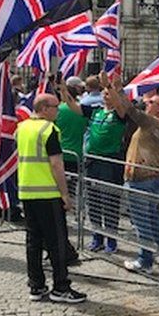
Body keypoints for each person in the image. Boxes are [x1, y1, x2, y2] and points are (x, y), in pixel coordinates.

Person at [16, 93, 87, 303]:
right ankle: (61, 287)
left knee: (33, 241)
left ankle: (36, 285)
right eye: (56, 106)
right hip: (47, 192)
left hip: (27, 190)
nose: (59, 110)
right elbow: (57, 164)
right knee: (57, 242)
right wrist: (65, 194)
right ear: (45, 108)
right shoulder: (49, 130)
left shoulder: (22, 127)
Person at [104, 75, 159, 274]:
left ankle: (145, 261)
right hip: (153, 179)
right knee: (152, 217)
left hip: (141, 179)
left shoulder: (151, 122)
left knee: (141, 220)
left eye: (152, 102)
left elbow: (129, 109)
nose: (147, 102)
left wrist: (113, 88)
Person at [62, 80, 127, 254]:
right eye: (104, 93)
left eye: (108, 94)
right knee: (94, 201)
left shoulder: (121, 115)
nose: (105, 96)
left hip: (110, 162)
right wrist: (61, 87)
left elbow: (119, 106)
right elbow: (73, 106)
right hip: (92, 162)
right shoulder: (95, 112)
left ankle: (111, 239)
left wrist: (109, 85)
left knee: (109, 201)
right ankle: (97, 236)